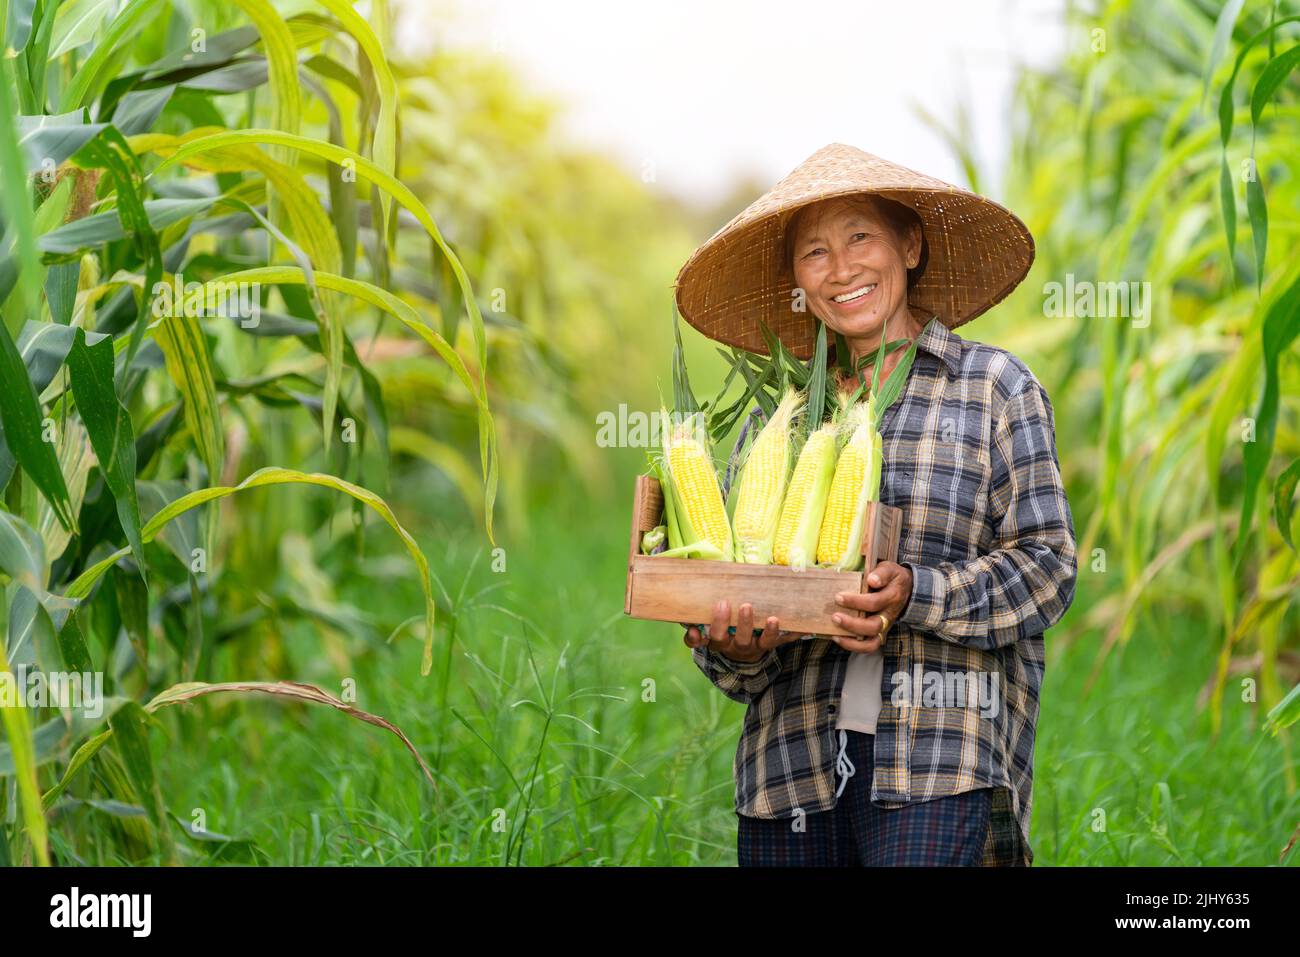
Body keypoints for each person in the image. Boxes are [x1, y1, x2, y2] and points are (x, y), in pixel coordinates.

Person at [673, 143, 1078, 866]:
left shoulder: (993, 388)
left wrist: (915, 593)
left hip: (940, 762)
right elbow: (737, 635)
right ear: (796, 279)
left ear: (910, 245)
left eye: (861, 236)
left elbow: (1047, 569)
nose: (842, 268)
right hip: (789, 775)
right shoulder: (779, 421)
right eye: (814, 252)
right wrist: (736, 646)